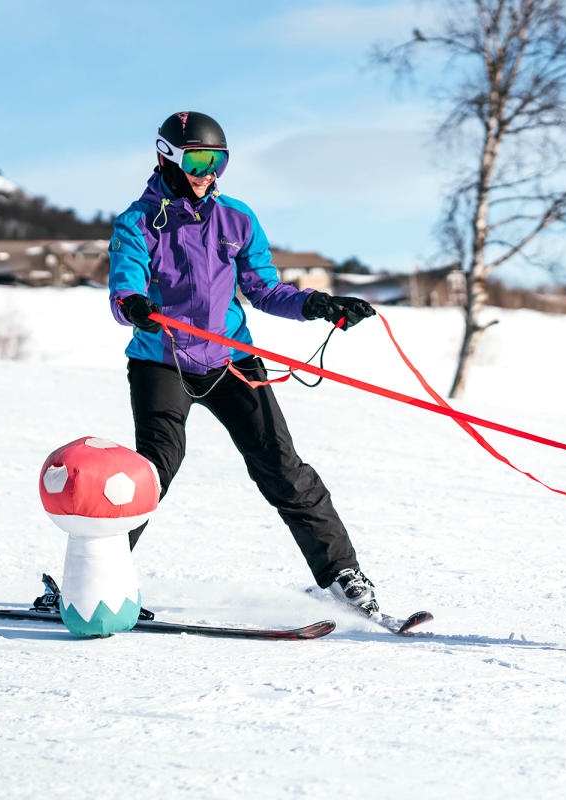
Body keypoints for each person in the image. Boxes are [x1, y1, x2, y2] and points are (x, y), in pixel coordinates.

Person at [104, 110, 382, 614]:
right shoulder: (137, 221)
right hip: (161, 361)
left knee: (281, 466)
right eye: (200, 159)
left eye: (219, 162)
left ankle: (343, 575)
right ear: (168, 155)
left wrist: (317, 305)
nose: (209, 171)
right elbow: (126, 284)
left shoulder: (236, 218)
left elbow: (263, 288)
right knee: (154, 469)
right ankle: (98, 575)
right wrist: (135, 307)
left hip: (231, 360)